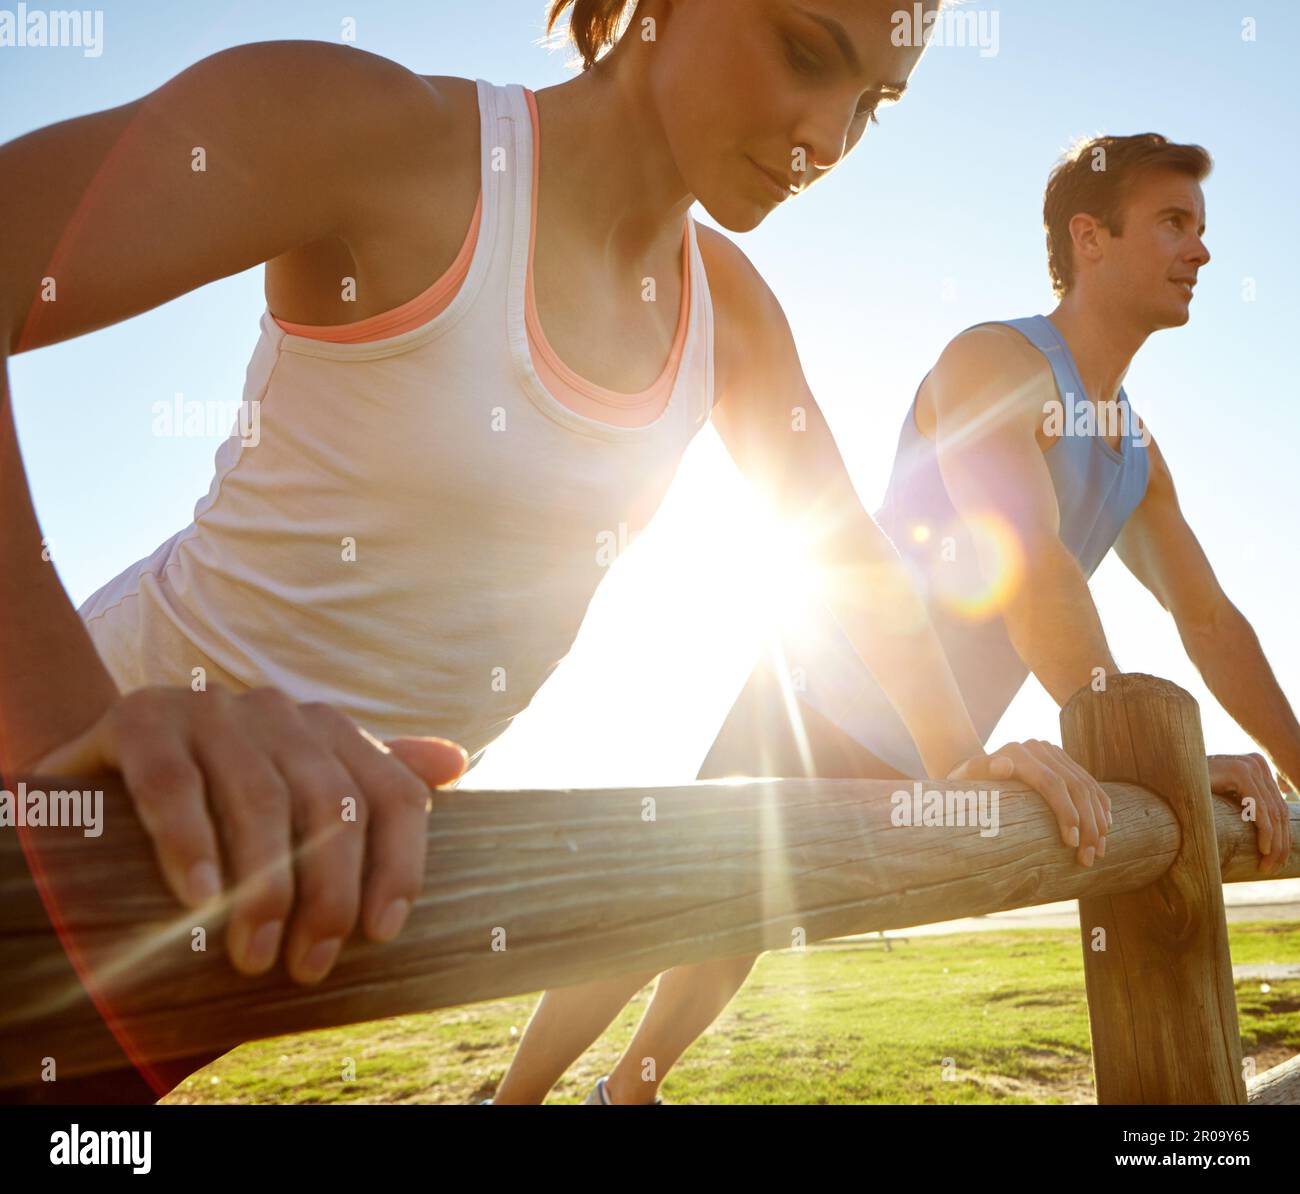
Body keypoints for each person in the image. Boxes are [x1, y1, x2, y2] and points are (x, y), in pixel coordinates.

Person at [0, 0, 1105, 1104]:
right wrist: (75, 730)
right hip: (66, 809)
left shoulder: (735, 317)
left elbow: (854, 564)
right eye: (804, 50)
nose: (826, 134)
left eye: (873, 103)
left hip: (297, 898)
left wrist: (960, 759)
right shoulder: (373, 128)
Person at [522, 130, 1297, 1105]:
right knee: (671, 906)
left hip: (934, 743)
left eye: (1201, 228)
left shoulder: (1132, 447)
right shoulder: (996, 360)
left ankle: (624, 1094)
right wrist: (1136, 750)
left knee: (758, 917)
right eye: (1174, 223)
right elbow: (1022, 564)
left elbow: (1211, 619)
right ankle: (507, 1104)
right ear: (1089, 238)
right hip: (823, 691)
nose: (1201, 252)